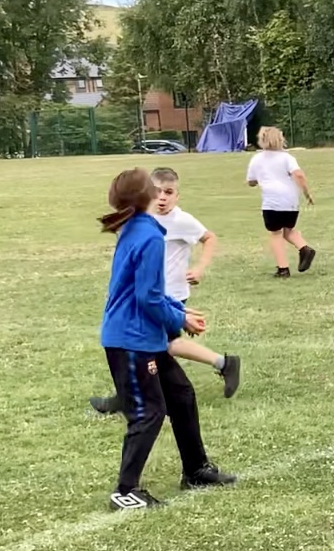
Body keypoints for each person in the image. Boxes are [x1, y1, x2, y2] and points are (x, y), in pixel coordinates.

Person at [97, 168, 236, 510]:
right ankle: (124, 491)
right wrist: (178, 317)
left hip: (145, 335)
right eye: (155, 190)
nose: (161, 195)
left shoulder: (139, 229)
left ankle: (195, 470)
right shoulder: (146, 236)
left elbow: (149, 292)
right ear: (146, 197)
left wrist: (179, 311)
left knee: (182, 395)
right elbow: (146, 297)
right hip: (131, 339)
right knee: (149, 412)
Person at [90, 167, 240, 414]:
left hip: (166, 297)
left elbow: (209, 238)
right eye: (157, 191)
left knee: (160, 346)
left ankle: (223, 364)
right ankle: (131, 395)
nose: (162, 197)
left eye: (169, 192)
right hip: (152, 295)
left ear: (177, 196)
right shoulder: (142, 219)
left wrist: (200, 267)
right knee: (152, 348)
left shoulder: (182, 220)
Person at [246, 126, 318, 278]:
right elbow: (298, 175)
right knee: (288, 230)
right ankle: (304, 248)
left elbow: (251, 181)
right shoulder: (287, 158)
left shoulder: (257, 159)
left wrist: (259, 180)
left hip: (271, 202)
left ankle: (283, 269)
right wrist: (307, 193)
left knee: (276, 233)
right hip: (290, 201)